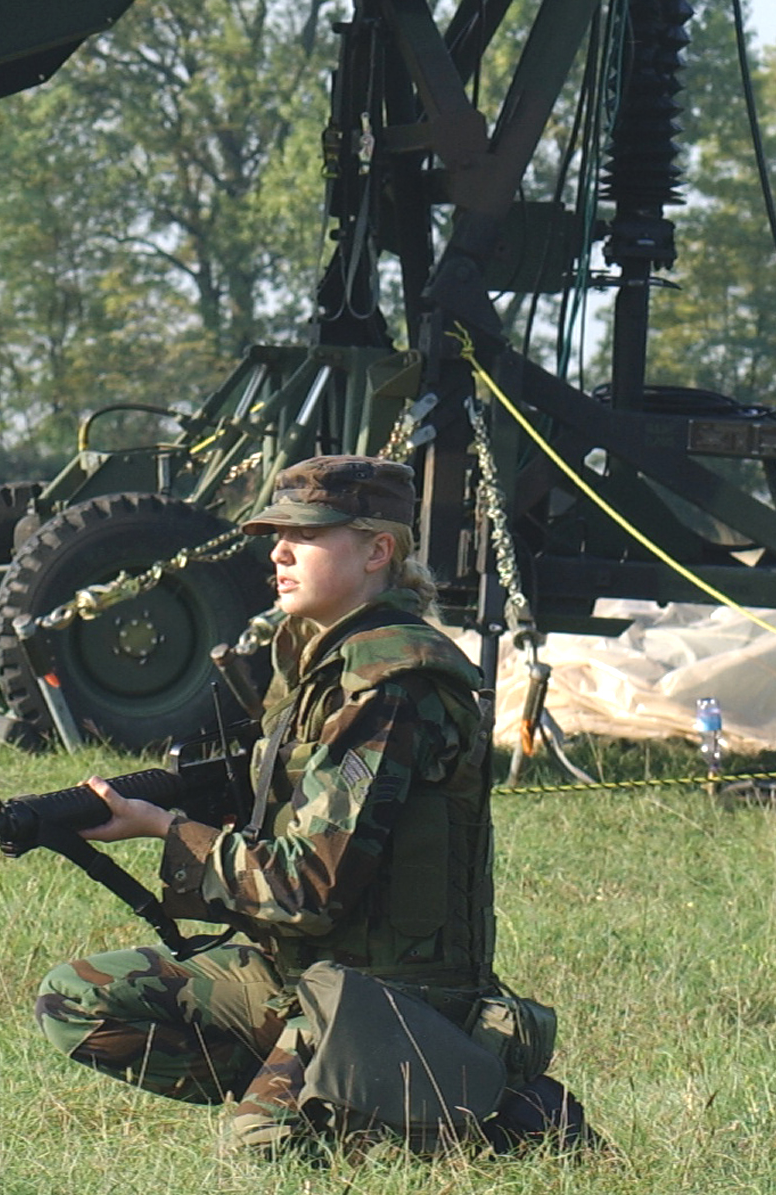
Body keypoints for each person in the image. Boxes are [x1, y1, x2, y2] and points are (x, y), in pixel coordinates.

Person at [35, 454, 592, 1160]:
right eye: (275, 534)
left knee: (265, 1148)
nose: (279, 551)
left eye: (307, 535)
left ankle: (479, 1110)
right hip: (301, 972)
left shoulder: (391, 684)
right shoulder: (315, 662)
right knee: (74, 999)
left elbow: (308, 888)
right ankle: (338, 1097)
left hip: (393, 990)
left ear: (376, 550)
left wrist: (168, 830)